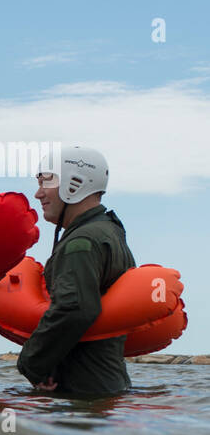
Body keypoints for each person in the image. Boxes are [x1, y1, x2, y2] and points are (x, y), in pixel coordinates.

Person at [17, 147, 135, 396]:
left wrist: (31, 363)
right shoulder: (108, 231)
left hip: (82, 393)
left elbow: (75, 309)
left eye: (46, 182)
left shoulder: (82, 243)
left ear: (75, 184)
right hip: (107, 387)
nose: (38, 193)